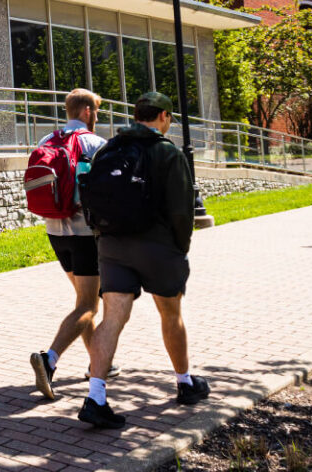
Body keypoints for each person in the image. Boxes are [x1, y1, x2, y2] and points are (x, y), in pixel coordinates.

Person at [78, 91, 209, 430]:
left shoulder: (110, 148)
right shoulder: (166, 152)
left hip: (111, 245)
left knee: (113, 317)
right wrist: (180, 248)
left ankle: (95, 396)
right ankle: (184, 383)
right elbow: (182, 211)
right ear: (163, 116)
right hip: (157, 246)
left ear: (137, 116)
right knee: (170, 313)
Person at [29, 88, 106, 400]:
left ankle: (97, 362)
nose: (97, 116)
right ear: (87, 112)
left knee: (82, 300)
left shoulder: (46, 141)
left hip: (54, 232)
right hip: (86, 234)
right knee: (90, 305)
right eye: (97, 111)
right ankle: (49, 360)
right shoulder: (97, 144)